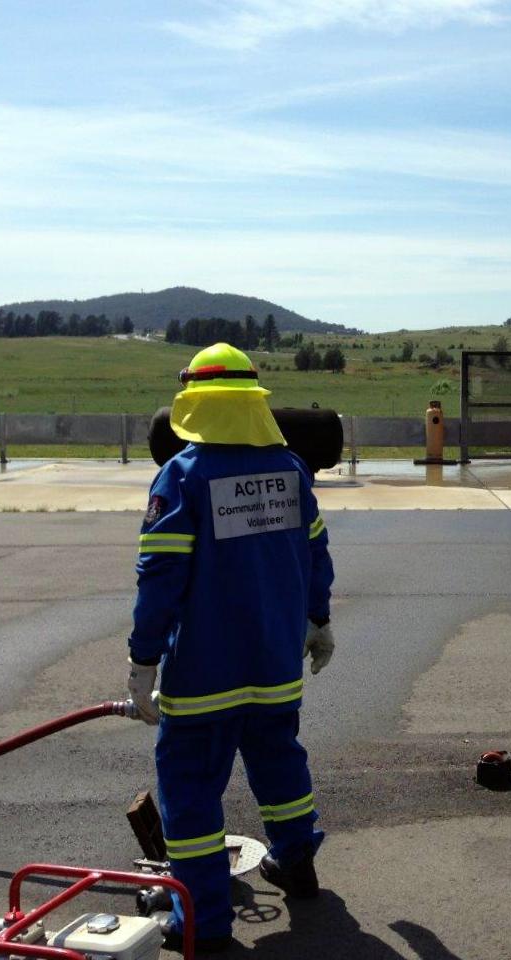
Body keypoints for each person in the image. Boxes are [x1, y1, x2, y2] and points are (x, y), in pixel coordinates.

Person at [124, 342, 336, 953]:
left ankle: (203, 920)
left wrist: (143, 659)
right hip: (275, 663)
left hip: (204, 670)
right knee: (279, 763)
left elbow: (159, 578)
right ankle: (298, 864)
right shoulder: (291, 470)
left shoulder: (183, 476)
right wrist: (318, 620)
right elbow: (316, 553)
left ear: (192, 399)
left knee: (190, 791)